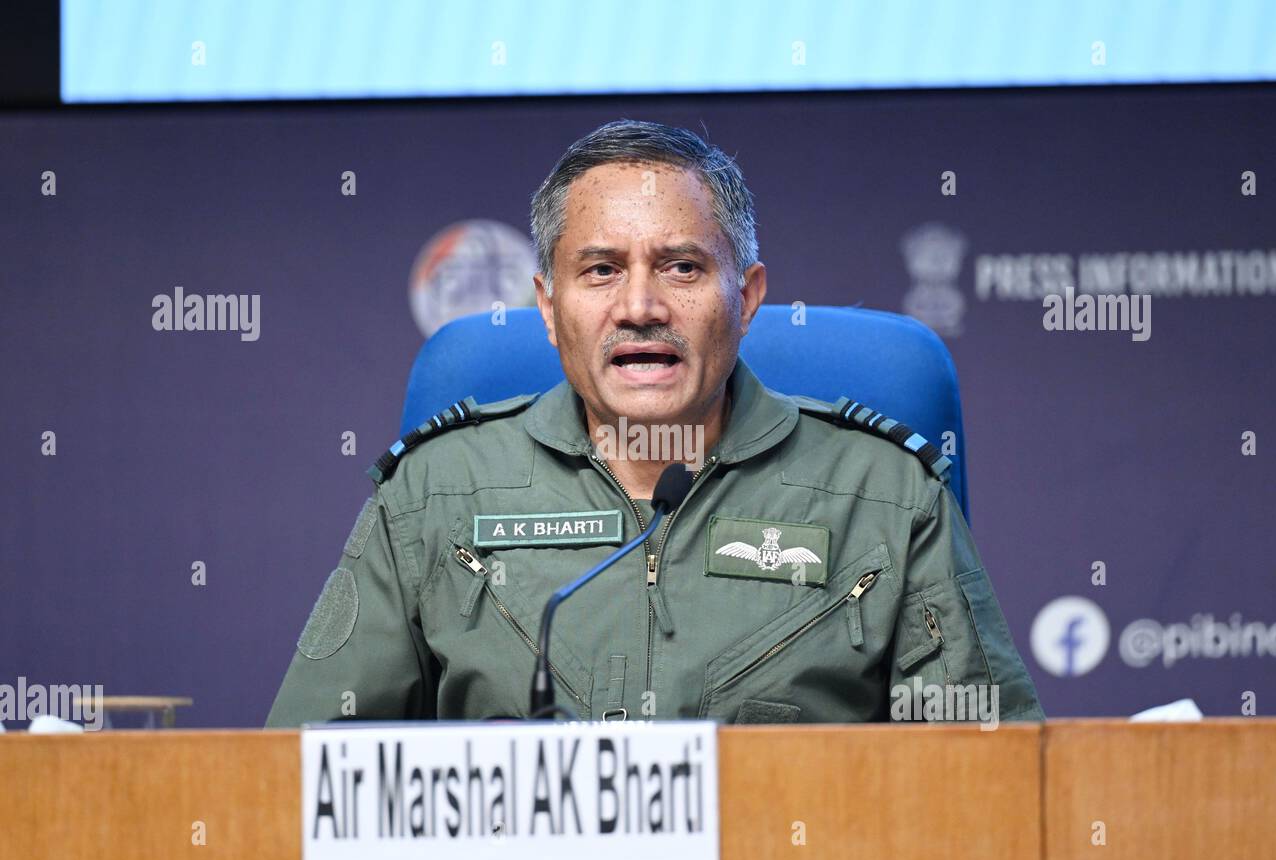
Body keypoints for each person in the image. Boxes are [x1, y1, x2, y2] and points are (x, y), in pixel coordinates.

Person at [266, 119, 1043, 727]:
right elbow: (301, 777)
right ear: (548, 306)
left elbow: (989, 783)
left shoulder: (887, 496)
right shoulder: (432, 494)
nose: (640, 307)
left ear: (746, 298)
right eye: (601, 270)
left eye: (682, 267)